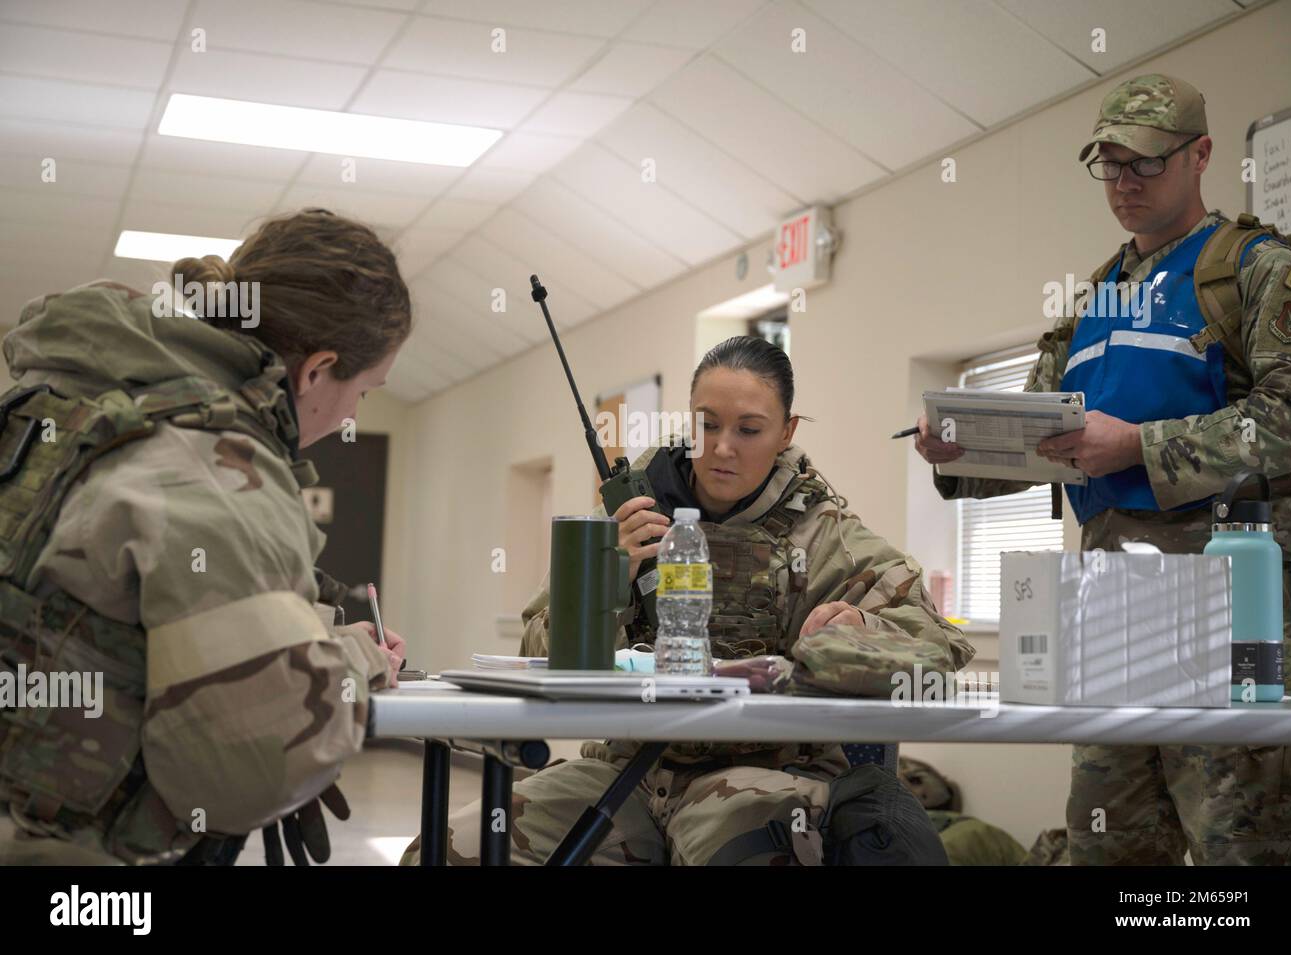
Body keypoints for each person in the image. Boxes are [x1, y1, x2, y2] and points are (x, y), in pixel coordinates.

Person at [914, 74, 1291, 865]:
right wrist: (961, 454)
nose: (1123, 182)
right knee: (1109, 847)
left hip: (1234, 613)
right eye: (1110, 163)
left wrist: (1138, 447)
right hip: (1112, 612)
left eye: (1145, 163)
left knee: (1243, 849)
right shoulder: (1095, 301)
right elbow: (1041, 441)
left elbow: (1290, 420)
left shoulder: (1258, 272)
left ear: (1200, 156)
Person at [403, 335, 974, 865]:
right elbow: (538, 650)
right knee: (446, 849)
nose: (722, 449)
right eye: (707, 425)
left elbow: (937, 646)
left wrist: (852, 630)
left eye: (749, 430)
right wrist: (608, 579)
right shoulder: (629, 519)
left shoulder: (829, 540)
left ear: (786, 430)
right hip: (625, 773)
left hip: (758, 777)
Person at [0, 208, 411, 865]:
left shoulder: (62, 396)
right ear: (317, 370)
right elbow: (250, 766)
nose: (352, 415)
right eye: (363, 391)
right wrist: (356, 661)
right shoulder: (220, 463)